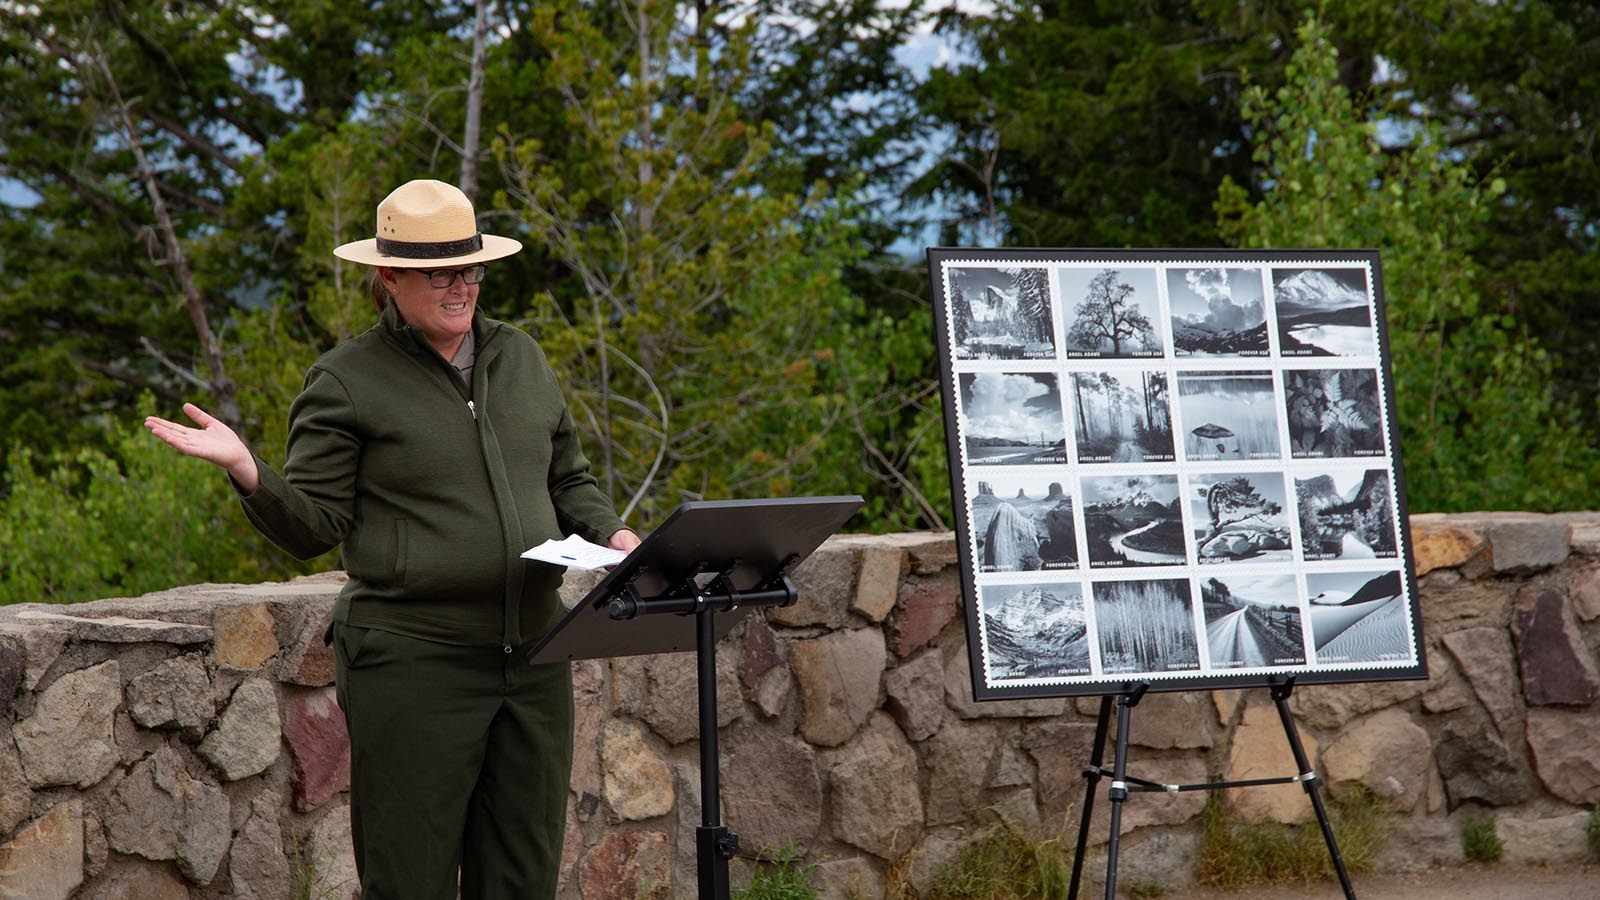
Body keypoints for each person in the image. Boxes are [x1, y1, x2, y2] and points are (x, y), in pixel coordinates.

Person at [145, 178, 640, 900]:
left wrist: (617, 534)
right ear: (389, 277)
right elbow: (314, 527)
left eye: (470, 267)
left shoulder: (522, 358)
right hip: (415, 665)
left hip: (534, 660)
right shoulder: (346, 381)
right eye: (439, 272)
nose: (461, 286)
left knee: (523, 881)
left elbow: (568, 480)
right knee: (411, 880)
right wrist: (248, 469)